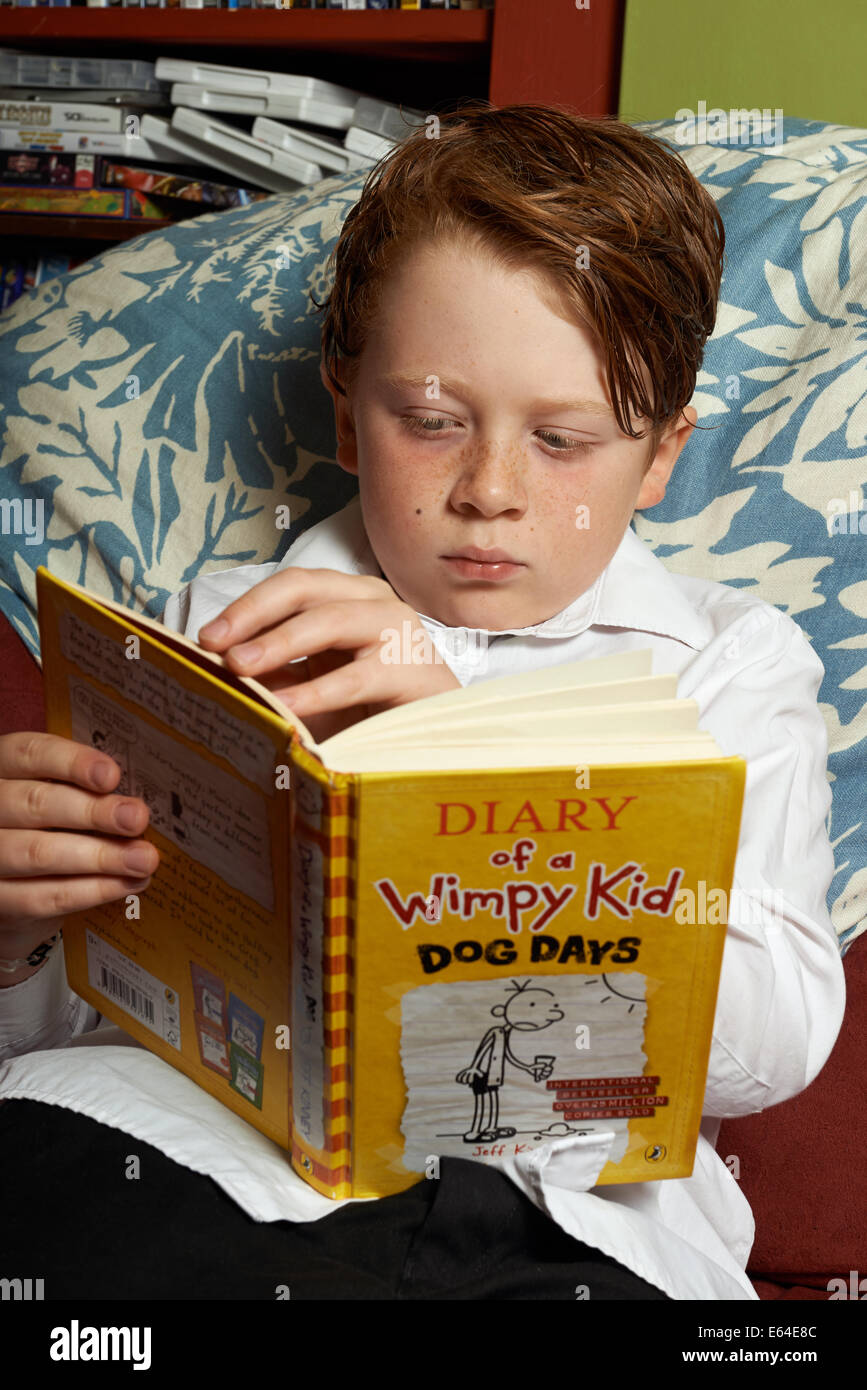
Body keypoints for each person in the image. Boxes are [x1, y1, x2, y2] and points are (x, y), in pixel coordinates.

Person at [0, 104, 846, 1301]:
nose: (490, 490)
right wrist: (20, 935)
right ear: (348, 411)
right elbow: (90, 1010)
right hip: (196, 1172)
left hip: (565, 1218)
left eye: (564, 439)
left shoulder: (730, 665)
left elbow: (776, 1042)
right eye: (432, 422)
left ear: (658, 456)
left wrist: (464, 763)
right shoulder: (219, 624)